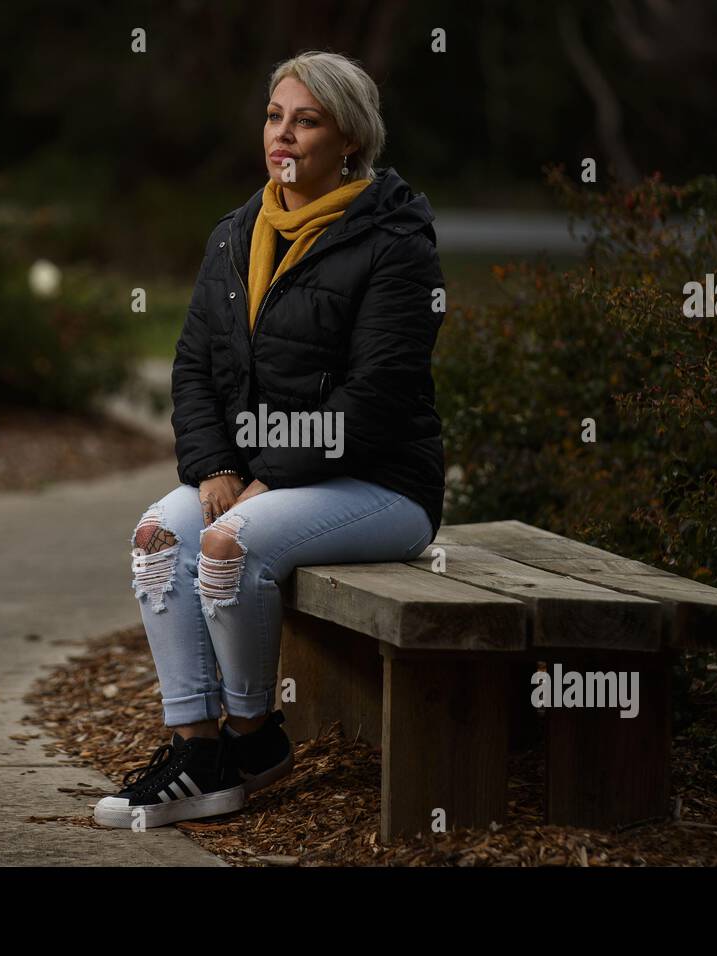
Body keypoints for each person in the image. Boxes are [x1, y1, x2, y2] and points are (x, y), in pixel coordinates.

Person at [95, 50, 446, 829]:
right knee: (157, 535)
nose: (282, 134)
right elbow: (193, 367)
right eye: (274, 115)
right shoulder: (236, 234)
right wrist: (215, 463)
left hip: (381, 485)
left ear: (349, 139)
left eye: (307, 120)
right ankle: (197, 749)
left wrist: (270, 475)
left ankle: (253, 740)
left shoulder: (396, 242)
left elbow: (379, 394)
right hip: (261, 479)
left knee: (230, 546)